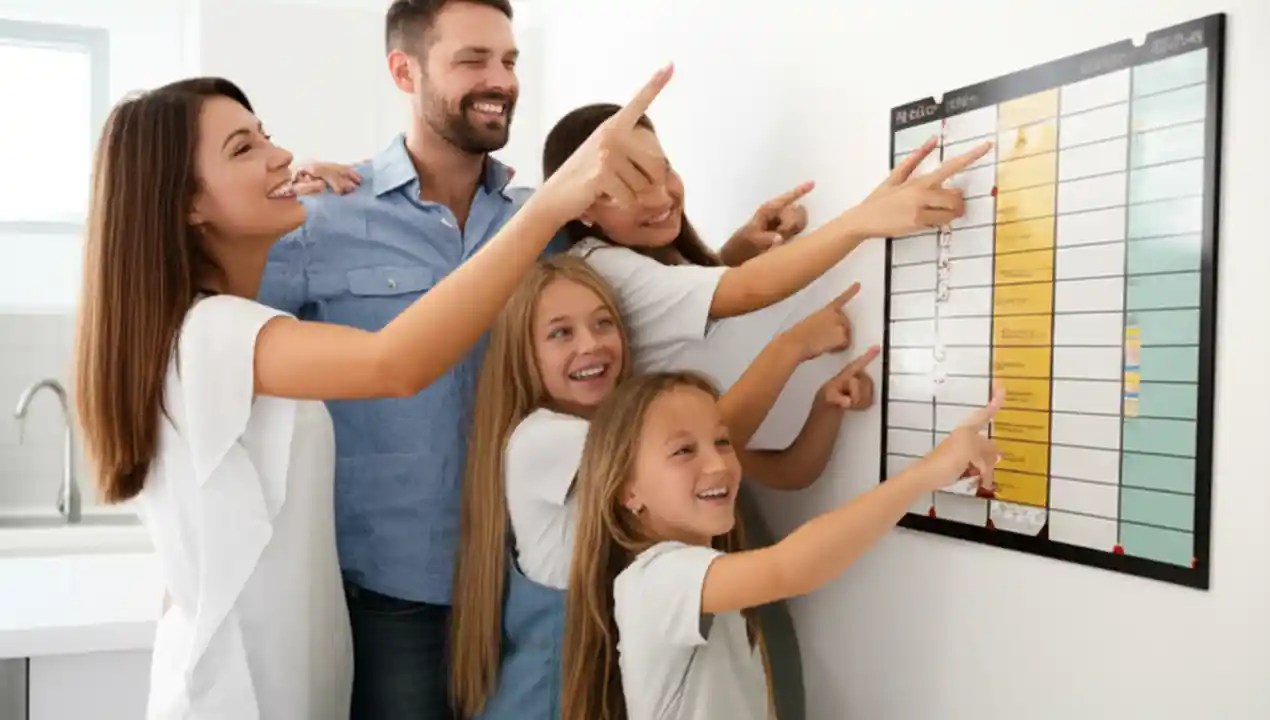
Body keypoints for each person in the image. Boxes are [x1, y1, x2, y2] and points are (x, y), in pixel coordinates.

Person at [256, 5, 816, 714]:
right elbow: (233, 365)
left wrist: (735, 249)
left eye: (510, 60)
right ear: (404, 70)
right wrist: (269, 197)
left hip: (543, 581)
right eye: (472, 60)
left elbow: (626, 296)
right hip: (397, 596)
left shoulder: (544, 223)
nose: (500, 80)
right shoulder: (324, 217)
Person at [73, 63, 676, 719]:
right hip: (240, 694)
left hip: (279, 677)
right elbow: (395, 363)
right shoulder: (216, 331)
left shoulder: (224, 330)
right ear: (187, 201)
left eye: (265, 136)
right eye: (243, 149)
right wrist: (549, 207)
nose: (281, 156)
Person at [448, 253, 878, 718]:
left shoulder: (655, 444)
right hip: (551, 694)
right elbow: (721, 430)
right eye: (560, 333)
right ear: (524, 356)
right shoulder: (539, 439)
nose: (591, 344)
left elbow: (786, 472)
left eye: (603, 323)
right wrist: (790, 348)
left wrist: (825, 408)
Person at [561, 372, 1004, 720]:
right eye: (683, 451)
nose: (718, 464)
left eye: (721, 441)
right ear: (627, 492)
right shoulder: (655, 580)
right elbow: (790, 568)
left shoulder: (705, 576)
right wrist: (927, 473)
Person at [542, 102, 990, 371]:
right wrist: (864, 219)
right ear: (582, 204)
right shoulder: (599, 270)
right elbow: (745, 292)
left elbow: (678, 303)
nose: (661, 195)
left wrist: (736, 250)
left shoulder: (628, 260)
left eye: (666, 171)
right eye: (634, 185)